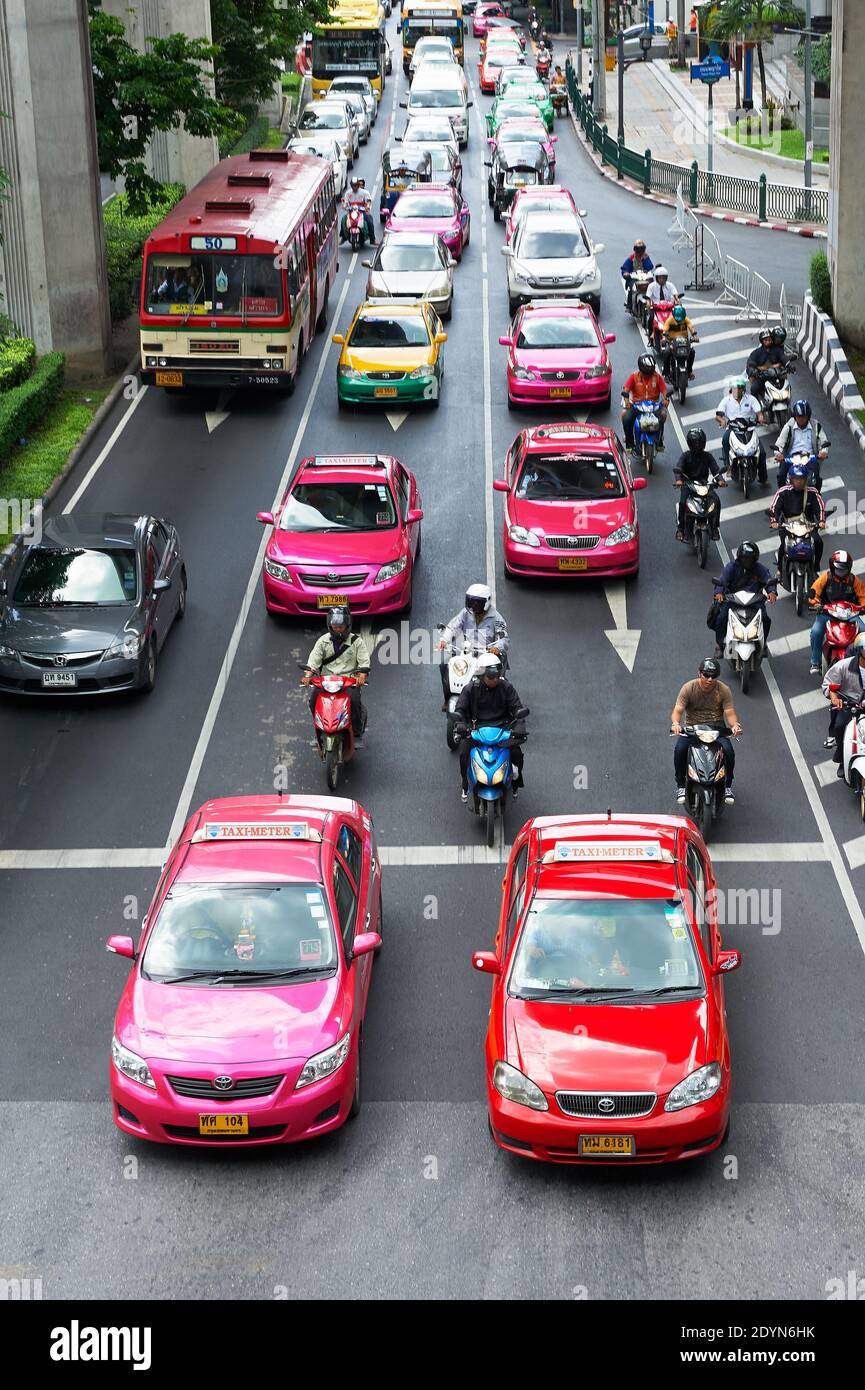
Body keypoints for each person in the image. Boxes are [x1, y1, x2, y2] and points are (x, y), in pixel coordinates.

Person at [454, 654, 526, 802]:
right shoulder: (470, 689)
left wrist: (519, 727)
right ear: (481, 675)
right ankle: (465, 785)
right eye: (491, 676)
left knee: (517, 754)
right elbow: (460, 710)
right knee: (464, 754)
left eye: (497, 675)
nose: (495, 679)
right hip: (476, 729)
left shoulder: (506, 687)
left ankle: (515, 783)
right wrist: (461, 725)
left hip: (503, 729)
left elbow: (518, 709)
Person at [671, 658, 742, 804]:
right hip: (692, 728)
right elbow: (678, 710)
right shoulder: (688, 688)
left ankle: (728, 786)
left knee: (728, 751)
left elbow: (729, 712)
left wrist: (735, 725)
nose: (710, 679)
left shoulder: (724, 690)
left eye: (714, 676)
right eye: (706, 675)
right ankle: (680, 785)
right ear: (699, 673)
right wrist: (676, 723)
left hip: (716, 728)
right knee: (679, 749)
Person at [302, 607, 371, 741]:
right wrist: (308, 675)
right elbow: (314, 660)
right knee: (313, 701)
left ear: (347, 625)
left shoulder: (357, 642)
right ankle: (320, 727)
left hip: (348, 682)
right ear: (330, 625)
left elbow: (364, 661)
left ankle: (356, 733)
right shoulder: (323, 641)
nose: (338, 629)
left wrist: (362, 675)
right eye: (335, 626)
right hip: (326, 682)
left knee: (355, 702)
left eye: (341, 627)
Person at [437, 583, 510, 706]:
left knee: (497, 678)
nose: (473, 605)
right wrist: (444, 640)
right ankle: (448, 697)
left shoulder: (496, 618)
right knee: (445, 665)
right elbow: (453, 627)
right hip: (467, 653)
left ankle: (500, 704)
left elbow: (504, 638)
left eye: (477, 602)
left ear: (486, 602)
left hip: (486, 654)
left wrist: (497, 648)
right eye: (471, 601)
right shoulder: (466, 613)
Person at [712, 541, 777, 655]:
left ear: (754, 558)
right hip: (733, 600)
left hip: (754, 601)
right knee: (721, 618)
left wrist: (772, 591)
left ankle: (763, 643)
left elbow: (768, 580)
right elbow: (722, 580)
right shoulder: (731, 567)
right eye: (744, 558)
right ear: (740, 557)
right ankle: (720, 644)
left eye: (749, 558)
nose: (747, 561)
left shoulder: (759, 569)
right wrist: (719, 593)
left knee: (765, 619)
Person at [807, 550, 865, 675]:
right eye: (839, 569)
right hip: (827, 613)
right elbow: (814, 592)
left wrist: (862, 606)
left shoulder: (853, 580)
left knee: (863, 631)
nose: (841, 572)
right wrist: (816, 603)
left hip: (850, 614)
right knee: (816, 632)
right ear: (832, 567)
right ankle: (815, 662)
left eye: (844, 569)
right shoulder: (825, 578)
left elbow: (862, 596)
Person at [769, 462, 827, 572]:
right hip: (787, 525)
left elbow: (820, 508)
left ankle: (815, 568)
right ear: (791, 479)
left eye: (801, 479)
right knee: (783, 547)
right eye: (796, 479)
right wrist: (774, 521)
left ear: (806, 479)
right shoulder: (783, 492)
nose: (798, 481)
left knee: (818, 542)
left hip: (808, 526)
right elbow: (774, 508)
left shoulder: (812, 492)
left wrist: (821, 521)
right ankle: (780, 569)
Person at [823, 634, 865, 777]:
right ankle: (842, 757)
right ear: (860, 651)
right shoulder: (844, 666)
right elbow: (828, 683)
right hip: (850, 706)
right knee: (840, 726)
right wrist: (834, 697)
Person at [674, 427, 725, 542]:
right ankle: (681, 529)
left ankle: (715, 527)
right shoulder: (685, 456)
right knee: (683, 503)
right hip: (688, 485)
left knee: (716, 501)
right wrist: (679, 480)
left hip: (704, 485)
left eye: (699, 442)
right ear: (690, 443)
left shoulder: (707, 456)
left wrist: (720, 480)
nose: (697, 445)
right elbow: (679, 467)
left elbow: (715, 469)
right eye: (694, 443)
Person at [714, 376, 767, 482]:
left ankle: (763, 478)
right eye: (735, 388)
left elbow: (759, 413)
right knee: (725, 440)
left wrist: (760, 418)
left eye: (739, 388)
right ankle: (728, 466)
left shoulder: (751, 399)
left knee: (762, 453)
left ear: (743, 389)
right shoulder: (726, 400)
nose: (737, 390)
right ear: (731, 389)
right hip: (733, 429)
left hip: (749, 429)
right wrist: (722, 421)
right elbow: (718, 416)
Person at [775, 399, 830, 487]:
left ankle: (816, 496)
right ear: (795, 416)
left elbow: (824, 441)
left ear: (808, 416)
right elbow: (779, 443)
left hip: (809, 458)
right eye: (799, 416)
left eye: (804, 416)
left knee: (816, 477)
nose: (801, 419)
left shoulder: (816, 425)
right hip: (792, 458)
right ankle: (782, 495)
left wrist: (823, 452)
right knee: (781, 475)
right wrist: (778, 454)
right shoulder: (789, 426)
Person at [621, 353, 668, 451]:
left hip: (654, 406)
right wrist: (627, 402)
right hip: (637, 406)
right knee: (625, 417)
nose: (648, 376)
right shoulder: (634, 376)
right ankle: (629, 443)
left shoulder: (657, 377)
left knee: (663, 415)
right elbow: (626, 390)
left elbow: (664, 391)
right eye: (646, 373)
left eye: (650, 373)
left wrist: (665, 400)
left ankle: (659, 441)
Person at [746, 326, 788, 398]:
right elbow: (750, 363)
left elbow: (783, 358)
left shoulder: (778, 350)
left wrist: (789, 365)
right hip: (762, 376)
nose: (768, 342)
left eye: (769, 340)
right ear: (762, 341)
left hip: (776, 376)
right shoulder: (757, 352)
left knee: (786, 385)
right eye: (766, 340)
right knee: (754, 388)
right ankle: (757, 406)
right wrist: (753, 371)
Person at [660, 303, 699, 380]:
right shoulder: (669, 320)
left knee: (692, 352)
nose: (679, 320)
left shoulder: (685, 319)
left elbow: (691, 327)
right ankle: (666, 373)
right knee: (666, 353)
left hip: (684, 341)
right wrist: (664, 338)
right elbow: (665, 330)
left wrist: (694, 336)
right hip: (672, 341)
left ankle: (689, 371)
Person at [646, 266, 679, 348]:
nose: (662, 280)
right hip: (656, 308)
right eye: (660, 278)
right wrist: (648, 304)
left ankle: (678, 336)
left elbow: (675, 294)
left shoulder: (670, 285)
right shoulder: (651, 286)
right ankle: (650, 337)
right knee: (650, 318)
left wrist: (677, 301)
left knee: (678, 318)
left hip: (668, 308)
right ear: (656, 278)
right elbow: (648, 298)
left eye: (664, 278)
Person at [620, 238, 654, 312]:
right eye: (638, 249)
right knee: (632, 288)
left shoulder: (646, 257)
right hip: (634, 278)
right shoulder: (631, 258)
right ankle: (629, 305)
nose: (640, 251)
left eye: (641, 249)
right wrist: (626, 273)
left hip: (645, 277)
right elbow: (625, 267)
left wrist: (645, 260)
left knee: (652, 285)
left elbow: (650, 266)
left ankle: (654, 300)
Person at [341, 177, 376, 246]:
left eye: (356, 185)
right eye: (353, 185)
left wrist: (367, 206)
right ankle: (343, 237)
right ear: (351, 186)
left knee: (369, 221)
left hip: (362, 212)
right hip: (352, 212)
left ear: (358, 185)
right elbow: (346, 202)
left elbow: (368, 200)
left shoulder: (364, 192)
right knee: (343, 220)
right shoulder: (348, 193)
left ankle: (372, 239)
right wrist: (345, 205)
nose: (355, 187)